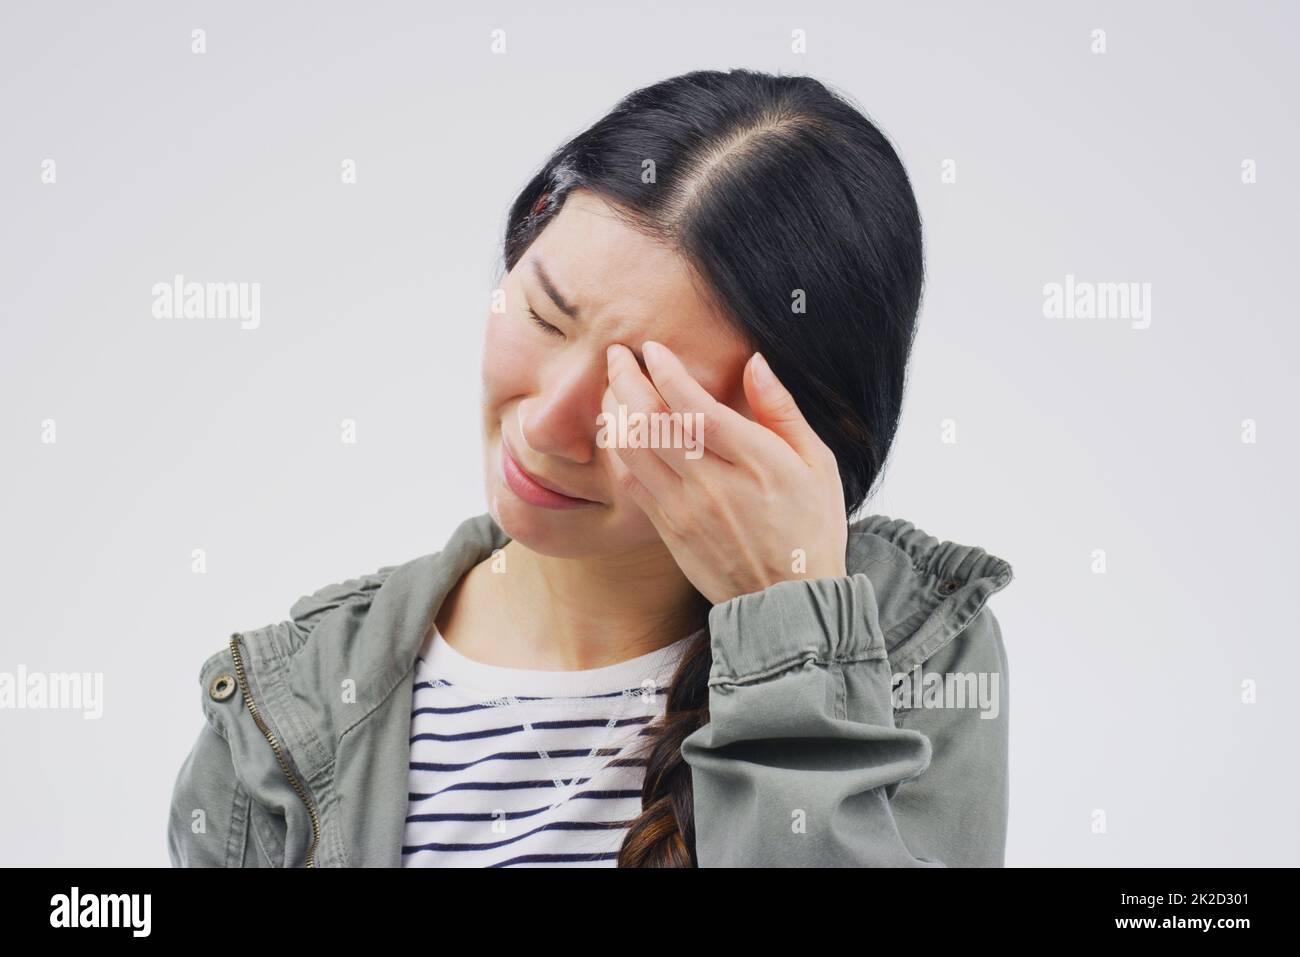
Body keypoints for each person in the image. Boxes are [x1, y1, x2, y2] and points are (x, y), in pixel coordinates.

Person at [167, 68, 1014, 868]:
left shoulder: (914, 648)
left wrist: (790, 630)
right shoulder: (288, 705)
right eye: (542, 313)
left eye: (640, 385)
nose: (547, 424)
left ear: (801, 429)